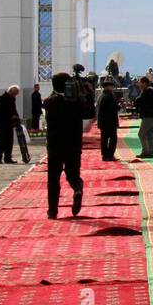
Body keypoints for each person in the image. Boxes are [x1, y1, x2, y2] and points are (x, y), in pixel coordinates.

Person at [44, 71, 92, 219]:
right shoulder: (77, 102)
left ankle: (53, 211)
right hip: (73, 145)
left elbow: (48, 101)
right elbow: (89, 112)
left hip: (55, 146)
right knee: (73, 175)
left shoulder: (49, 102)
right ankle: (77, 189)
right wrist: (84, 93)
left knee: (53, 178)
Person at [134, 76, 153, 158]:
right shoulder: (150, 90)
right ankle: (150, 152)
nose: (139, 84)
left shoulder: (147, 91)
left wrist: (138, 98)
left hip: (148, 115)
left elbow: (138, 101)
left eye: (140, 83)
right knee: (149, 134)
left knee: (141, 134)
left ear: (144, 83)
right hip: (150, 115)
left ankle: (145, 151)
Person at [0, 85, 19, 164]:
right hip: (2, 123)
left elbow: (14, 110)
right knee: (1, 141)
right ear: (10, 91)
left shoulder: (12, 99)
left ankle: (7, 158)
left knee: (9, 141)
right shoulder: (1, 99)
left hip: (9, 124)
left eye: (16, 94)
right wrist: (11, 116)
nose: (15, 95)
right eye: (14, 93)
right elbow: (1, 112)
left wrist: (16, 117)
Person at [97, 79, 120, 161]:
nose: (112, 88)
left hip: (104, 121)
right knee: (112, 138)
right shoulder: (108, 96)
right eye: (111, 86)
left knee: (104, 139)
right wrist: (119, 106)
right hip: (109, 121)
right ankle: (109, 155)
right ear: (107, 87)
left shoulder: (102, 95)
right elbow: (112, 108)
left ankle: (105, 155)